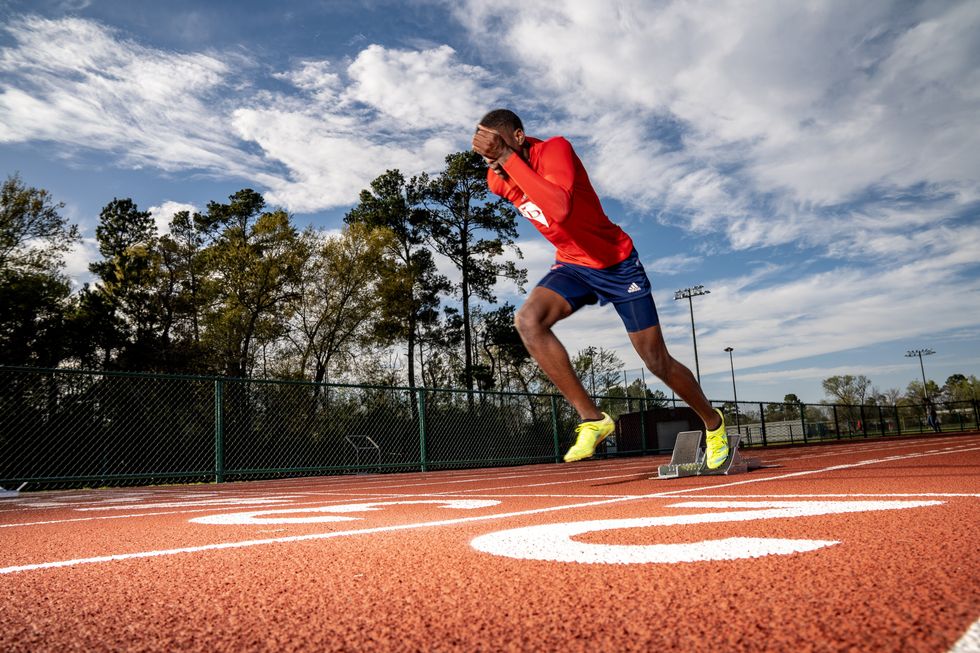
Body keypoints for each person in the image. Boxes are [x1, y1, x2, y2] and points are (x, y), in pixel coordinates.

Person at [471, 109, 729, 467]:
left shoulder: (556, 149)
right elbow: (528, 198)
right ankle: (593, 419)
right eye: (484, 152)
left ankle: (713, 423)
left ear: (517, 136)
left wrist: (506, 159)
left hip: (617, 263)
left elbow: (559, 208)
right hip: (573, 265)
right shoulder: (496, 179)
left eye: (495, 146)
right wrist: (501, 164)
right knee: (528, 321)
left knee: (656, 361)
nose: (489, 159)